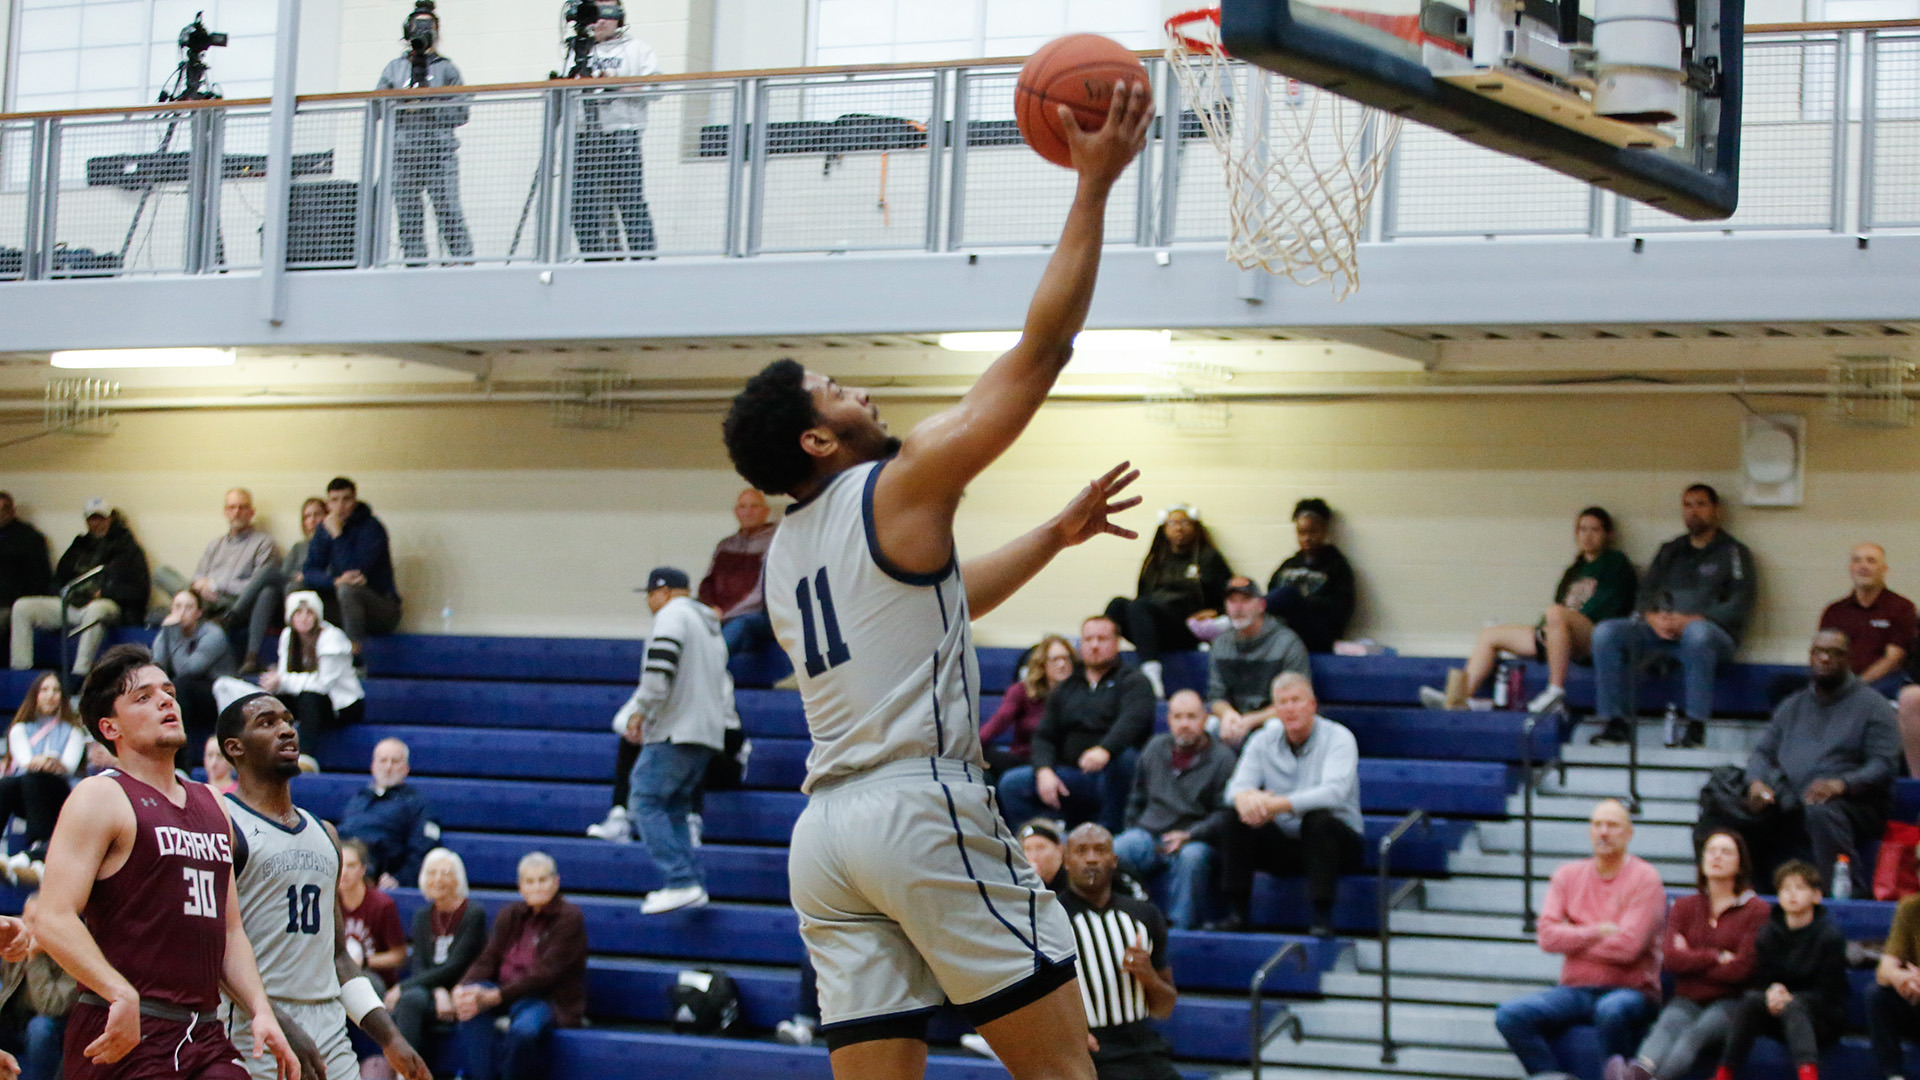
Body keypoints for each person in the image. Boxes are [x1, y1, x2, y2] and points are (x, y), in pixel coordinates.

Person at [722, 80, 1152, 1080]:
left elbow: (930, 612)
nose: (861, 387)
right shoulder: (896, 483)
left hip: (826, 839)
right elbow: (1041, 353)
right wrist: (1092, 186)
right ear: (821, 437)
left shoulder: (784, 553)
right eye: (837, 389)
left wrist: (1053, 534)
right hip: (922, 810)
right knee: (1063, 1070)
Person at [27, 644, 298, 1080]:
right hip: (124, 1026)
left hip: (204, 1032)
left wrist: (260, 1010)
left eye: (167, 691)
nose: (166, 700)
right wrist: (118, 992)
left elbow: (228, 928)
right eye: (143, 697)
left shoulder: (212, 802)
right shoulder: (100, 796)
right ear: (109, 727)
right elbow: (54, 918)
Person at [215, 692, 431, 1080]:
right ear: (235, 748)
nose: (286, 730)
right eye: (267, 723)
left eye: (288, 720)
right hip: (256, 1026)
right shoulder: (222, 825)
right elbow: (211, 949)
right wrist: (279, 1021)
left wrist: (390, 1036)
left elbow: (338, 956)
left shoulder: (326, 834)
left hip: (329, 1026)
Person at [1697, 628, 1898, 899]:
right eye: (1818, 652)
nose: (1825, 659)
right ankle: (1732, 894)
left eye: (1834, 653)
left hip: (1853, 804)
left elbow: (1883, 765)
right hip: (1790, 797)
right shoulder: (1793, 705)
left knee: (1820, 808)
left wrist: (1841, 785)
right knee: (1720, 814)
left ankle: (1839, 897)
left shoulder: (1874, 706)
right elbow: (1761, 754)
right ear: (1810, 657)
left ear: (1847, 659)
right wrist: (1757, 785)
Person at [1493, 799, 1665, 1080]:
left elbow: (1629, 947)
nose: (1603, 832)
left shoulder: (1645, 878)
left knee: (1611, 1010)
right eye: (1597, 825)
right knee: (1510, 1015)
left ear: (1628, 833)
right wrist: (1596, 931)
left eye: (1612, 825)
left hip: (1631, 990)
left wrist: (1572, 937)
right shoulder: (1567, 875)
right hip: (1575, 990)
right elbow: (1547, 937)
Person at [1421, 507, 1638, 713]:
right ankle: (1459, 698)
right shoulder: (1574, 571)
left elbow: (1611, 604)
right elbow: (1559, 607)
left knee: (1555, 614)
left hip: (1593, 635)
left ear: (1608, 534)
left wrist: (1556, 623)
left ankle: (1555, 692)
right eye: (1582, 529)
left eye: (1595, 529)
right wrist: (1548, 629)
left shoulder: (1615, 562)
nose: (1587, 535)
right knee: (1491, 635)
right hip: (1558, 633)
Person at [1590, 484, 1756, 749]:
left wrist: (1692, 620)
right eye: (1688, 505)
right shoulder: (1670, 550)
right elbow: (1645, 593)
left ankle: (1695, 728)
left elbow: (1740, 603)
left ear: (1717, 510)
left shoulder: (1734, 553)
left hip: (1710, 637)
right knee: (1606, 633)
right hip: (1661, 633)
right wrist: (1651, 617)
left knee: (1697, 633)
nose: (1694, 511)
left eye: (1701, 504)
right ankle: (1615, 724)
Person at [1608, 830, 1768, 1080]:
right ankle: (1638, 1073)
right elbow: (1671, 960)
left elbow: (1742, 969)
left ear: (1740, 863)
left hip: (1731, 1003)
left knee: (1694, 1035)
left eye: (1726, 852)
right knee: (1665, 1027)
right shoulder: (1684, 907)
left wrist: (1691, 958)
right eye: (1711, 851)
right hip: (1686, 998)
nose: (1717, 857)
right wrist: (1716, 956)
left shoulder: (1756, 910)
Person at [1210, 672, 1361, 936]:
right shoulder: (1262, 740)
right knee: (1233, 817)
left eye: (1296, 700)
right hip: (1285, 841)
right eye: (1282, 702)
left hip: (1337, 843)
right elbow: (1233, 789)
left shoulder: (1339, 737)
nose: (1289, 708)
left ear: (1313, 705)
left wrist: (1276, 805)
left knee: (1319, 820)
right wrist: (1248, 799)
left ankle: (1322, 917)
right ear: (1275, 709)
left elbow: (1334, 793)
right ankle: (1238, 913)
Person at [624, 567, 737, 915]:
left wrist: (640, 710)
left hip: (676, 727)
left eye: (650, 593)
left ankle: (679, 881)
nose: (648, 600)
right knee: (673, 806)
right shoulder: (710, 628)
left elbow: (660, 671)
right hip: (707, 731)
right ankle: (691, 883)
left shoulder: (672, 616)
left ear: (665, 591)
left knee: (643, 799)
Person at [997, 616, 1157, 834]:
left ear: (1116, 643)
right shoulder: (1067, 687)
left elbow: (1133, 721)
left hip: (1112, 774)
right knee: (1011, 784)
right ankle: (1045, 843)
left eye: (1102, 639)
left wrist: (1105, 750)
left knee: (1126, 761)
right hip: (1070, 774)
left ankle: (1110, 840)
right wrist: (1044, 770)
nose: (1094, 645)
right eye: (1088, 639)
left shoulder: (1134, 681)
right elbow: (1044, 735)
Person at [450, 852, 587, 1080]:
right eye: (530, 881)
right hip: (504, 992)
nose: (536, 887)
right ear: (520, 886)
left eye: (542, 880)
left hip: (548, 998)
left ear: (556, 882)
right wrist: (463, 987)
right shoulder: (510, 913)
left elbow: (545, 974)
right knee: (470, 1008)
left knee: (524, 1032)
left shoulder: (570, 917)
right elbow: (489, 957)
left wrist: (495, 996)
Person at [1057, 824, 1178, 1080]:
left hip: (1142, 1046)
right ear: (1066, 860)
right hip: (1085, 1050)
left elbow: (1164, 1007)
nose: (1091, 858)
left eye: (1100, 850)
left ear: (1113, 860)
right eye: (1081, 851)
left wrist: (1147, 976)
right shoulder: (1049, 918)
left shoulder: (1145, 915)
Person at [1711, 862, 1847, 1080]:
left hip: (1821, 1016)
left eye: (1799, 887)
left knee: (1795, 1007)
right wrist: (1772, 991)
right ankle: (1724, 1073)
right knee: (1750, 1001)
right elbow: (1761, 980)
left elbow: (1829, 992)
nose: (1791, 894)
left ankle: (1809, 1075)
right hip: (1778, 1010)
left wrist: (1790, 998)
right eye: (1785, 888)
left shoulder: (1829, 937)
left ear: (1816, 896)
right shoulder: (1767, 933)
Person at [1112, 690, 1235, 930]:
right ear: (1169, 719)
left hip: (1194, 839)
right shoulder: (1154, 747)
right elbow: (1136, 798)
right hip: (1149, 834)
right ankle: (1118, 926)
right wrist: (1134, 830)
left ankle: (1180, 931)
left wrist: (1191, 835)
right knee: (1116, 849)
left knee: (1193, 858)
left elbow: (1225, 815)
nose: (1184, 724)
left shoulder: (1223, 758)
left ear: (1205, 719)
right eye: (1178, 717)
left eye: (1191, 717)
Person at [376, 1, 472, 264]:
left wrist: (427, 107)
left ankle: (464, 263)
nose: (422, 31)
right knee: (408, 216)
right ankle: (415, 267)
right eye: (417, 25)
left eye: (428, 26)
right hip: (403, 153)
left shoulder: (447, 68)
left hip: (439, 154)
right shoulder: (393, 68)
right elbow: (378, 107)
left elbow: (462, 111)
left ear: (437, 32)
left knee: (449, 210)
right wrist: (405, 105)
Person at [1102, 505, 1232, 697]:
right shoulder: (1156, 560)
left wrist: (1216, 610)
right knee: (1117, 605)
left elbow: (1231, 596)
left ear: (1195, 526)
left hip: (1186, 629)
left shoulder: (1208, 558)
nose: (1178, 528)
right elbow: (1141, 596)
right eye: (1173, 523)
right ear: (1163, 528)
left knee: (1139, 606)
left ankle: (1152, 678)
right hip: (1154, 625)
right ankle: (1103, 666)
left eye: (1184, 522)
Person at [10, 501, 149, 676]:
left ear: (111, 519)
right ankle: (21, 672)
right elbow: (57, 579)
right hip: (73, 603)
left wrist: (103, 593)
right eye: (92, 518)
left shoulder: (128, 549)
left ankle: (80, 673)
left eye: (101, 518)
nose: (96, 523)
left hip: (108, 606)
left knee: (95, 610)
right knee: (23, 607)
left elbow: (139, 591)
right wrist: (68, 593)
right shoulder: (78, 546)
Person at [571, 3, 659, 257]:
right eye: (594, 15)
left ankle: (644, 259)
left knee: (629, 201)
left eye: (606, 15)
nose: (599, 21)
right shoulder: (578, 51)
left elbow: (654, 90)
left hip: (622, 132)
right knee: (581, 205)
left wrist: (616, 85)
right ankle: (594, 258)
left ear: (619, 18)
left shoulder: (637, 49)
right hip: (583, 135)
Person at [384, 848, 486, 1062]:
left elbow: (457, 965)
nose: (437, 879)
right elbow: (420, 964)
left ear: (458, 879)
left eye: (445, 873)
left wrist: (402, 986)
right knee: (410, 1000)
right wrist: (438, 991)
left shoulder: (473, 913)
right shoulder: (423, 915)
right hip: (432, 991)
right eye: (432, 873)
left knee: (408, 995)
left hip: (462, 990)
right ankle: (406, 1073)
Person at [0, 672, 88, 886]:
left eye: (56, 690)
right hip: (27, 792)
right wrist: (42, 762)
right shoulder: (20, 729)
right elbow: (25, 760)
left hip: (59, 794)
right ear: (35, 695)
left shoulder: (73, 730)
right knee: (8, 783)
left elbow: (69, 764)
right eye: (45, 690)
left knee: (35, 778)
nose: (50, 695)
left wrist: (48, 762)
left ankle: (39, 847)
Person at [183, 490, 280, 676]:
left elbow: (257, 583)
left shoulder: (264, 542)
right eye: (231, 507)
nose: (236, 512)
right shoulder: (215, 544)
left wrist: (215, 585)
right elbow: (197, 578)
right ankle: (188, 610)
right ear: (225, 512)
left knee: (266, 589)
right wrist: (202, 587)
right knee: (162, 574)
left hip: (236, 604)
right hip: (205, 600)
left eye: (242, 507)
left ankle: (219, 619)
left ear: (251, 512)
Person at [1206, 577, 1309, 748]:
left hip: (1271, 719)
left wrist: (1251, 720)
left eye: (1245, 600)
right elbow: (1216, 696)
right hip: (1237, 721)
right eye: (1232, 601)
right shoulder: (1220, 644)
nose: (1238, 607)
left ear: (1261, 605)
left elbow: (1296, 701)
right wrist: (1227, 714)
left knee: (1274, 728)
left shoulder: (1287, 643)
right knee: (1210, 725)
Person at [260, 592, 365, 755]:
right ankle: (269, 754)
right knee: (271, 702)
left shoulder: (331, 637)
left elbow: (322, 685)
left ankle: (305, 756)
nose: (303, 618)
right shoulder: (288, 636)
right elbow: (283, 678)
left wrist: (281, 681)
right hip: (308, 697)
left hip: (343, 703)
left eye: (309, 613)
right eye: (298, 613)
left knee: (309, 698)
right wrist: (273, 683)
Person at [303, 479, 401, 652]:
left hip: (382, 608)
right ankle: (303, 653)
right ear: (328, 503)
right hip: (342, 603)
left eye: (346, 499)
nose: (340, 506)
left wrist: (338, 535)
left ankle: (354, 657)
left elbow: (354, 572)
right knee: (297, 588)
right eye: (334, 500)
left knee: (348, 589)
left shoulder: (372, 528)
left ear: (355, 501)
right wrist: (333, 581)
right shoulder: (324, 529)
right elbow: (309, 571)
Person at [336, 738, 438, 890]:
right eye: (383, 761)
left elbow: (423, 848)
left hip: (380, 876)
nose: (388, 767)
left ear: (406, 768)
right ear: (373, 766)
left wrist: (400, 879)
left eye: (395, 761)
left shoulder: (417, 804)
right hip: (345, 869)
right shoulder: (358, 799)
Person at [152, 589, 236, 766]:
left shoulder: (213, 634)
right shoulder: (169, 631)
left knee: (181, 685)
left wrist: (173, 633)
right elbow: (156, 668)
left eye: (188, 607)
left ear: (199, 613)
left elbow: (188, 669)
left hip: (217, 695)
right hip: (185, 694)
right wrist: (165, 633)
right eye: (177, 607)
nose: (181, 612)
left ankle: (181, 761)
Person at [1262, 498, 1356, 655]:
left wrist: (1302, 602)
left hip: (1319, 634)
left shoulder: (1337, 566)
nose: (1306, 538)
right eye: (1301, 532)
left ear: (1324, 531)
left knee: (1288, 594)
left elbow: (1341, 609)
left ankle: (1240, 617)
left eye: (1312, 532)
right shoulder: (1288, 564)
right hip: (1285, 631)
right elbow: (1271, 595)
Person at [979, 636, 1073, 782]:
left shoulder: (1079, 693)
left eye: (1066, 659)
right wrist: (973, 746)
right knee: (983, 762)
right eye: (1055, 659)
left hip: (1060, 761)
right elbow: (998, 722)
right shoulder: (1023, 691)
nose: (1062, 664)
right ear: (1043, 664)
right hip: (1023, 758)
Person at [699, 490, 778, 656]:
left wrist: (726, 615)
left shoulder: (777, 543)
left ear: (766, 511)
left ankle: (708, 663)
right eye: (743, 507)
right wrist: (711, 608)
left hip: (760, 616)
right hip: (725, 616)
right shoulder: (725, 545)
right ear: (736, 512)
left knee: (741, 624)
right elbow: (708, 583)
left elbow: (761, 593)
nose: (748, 512)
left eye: (754, 506)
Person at [10, 893, 79, 1080]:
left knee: (39, 1028)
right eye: (24, 918)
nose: (24, 927)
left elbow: (50, 1007)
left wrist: (34, 958)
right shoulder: (13, 934)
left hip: (54, 1026)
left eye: (33, 921)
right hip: (15, 1021)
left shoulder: (73, 952)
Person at [337, 840, 406, 989]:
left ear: (362, 869)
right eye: (340, 865)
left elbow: (399, 956)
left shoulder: (382, 905)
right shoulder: (329, 901)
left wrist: (364, 961)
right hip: (339, 972)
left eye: (351, 866)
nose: (344, 872)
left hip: (375, 976)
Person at [0, 494, 52, 650]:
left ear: (13, 510)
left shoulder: (29, 538)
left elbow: (40, 576)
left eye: (4, 509)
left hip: (14, 602)